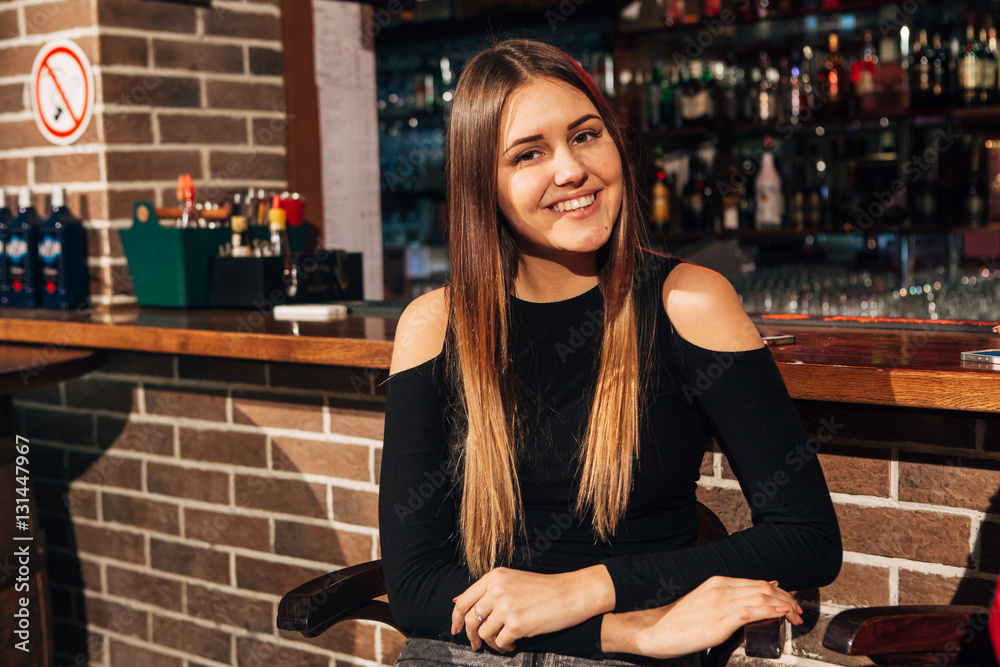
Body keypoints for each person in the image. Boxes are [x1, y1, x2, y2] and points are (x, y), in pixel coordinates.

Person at [378, 38, 842, 666]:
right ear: (482, 186)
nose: (571, 170)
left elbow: (808, 538)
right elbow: (412, 591)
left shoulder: (688, 303)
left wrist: (589, 589)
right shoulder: (434, 327)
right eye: (528, 154)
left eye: (586, 135)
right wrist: (626, 631)